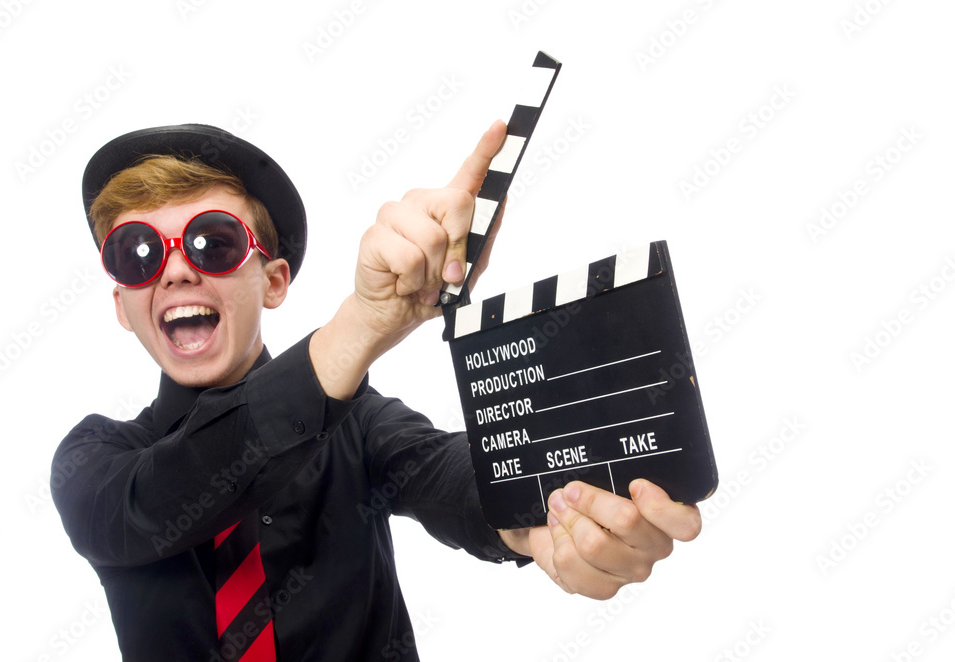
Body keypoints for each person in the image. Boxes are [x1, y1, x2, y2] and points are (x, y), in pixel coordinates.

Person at [51, 121, 702, 661]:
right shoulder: (96, 459)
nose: (175, 270)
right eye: (137, 253)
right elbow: (161, 501)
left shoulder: (356, 422)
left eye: (213, 243)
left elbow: (449, 476)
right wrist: (360, 325)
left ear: (273, 281)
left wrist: (549, 521)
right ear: (122, 304)